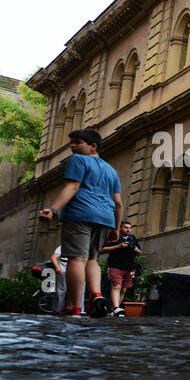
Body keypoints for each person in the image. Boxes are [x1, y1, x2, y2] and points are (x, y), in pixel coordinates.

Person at [37, 129, 123, 317]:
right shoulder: (111, 170)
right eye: (72, 143)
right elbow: (118, 203)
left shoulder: (77, 160)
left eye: (77, 142)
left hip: (79, 214)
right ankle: (97, 295)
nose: (73, 146)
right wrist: (116, 228)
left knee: (76, 258)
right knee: (92, 259)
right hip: (105, 218)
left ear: (93, 146)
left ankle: (74, 306)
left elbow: (72, 186)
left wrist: (53, 209)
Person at [99, 221, 141, 317]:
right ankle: (117, 308)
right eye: (126, 227)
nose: (128, 230)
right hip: (115, 266)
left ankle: (114, 309)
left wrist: (136, 250)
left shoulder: (132, 238)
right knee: (116, 286)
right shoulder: (115, 237)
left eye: (130, 228)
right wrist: (118, 246)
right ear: (120, 228)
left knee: (123, 289)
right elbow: (101, 250)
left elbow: (140, 252)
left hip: (130, 267)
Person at [49, 244, 84, 315]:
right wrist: (57, 267)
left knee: (80, 290)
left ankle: (80, 309)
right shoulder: (64, 246)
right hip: (63, 270)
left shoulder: (82, 246)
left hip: (77, 271)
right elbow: (53, 257)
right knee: (61, 290)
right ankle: (57, 309)